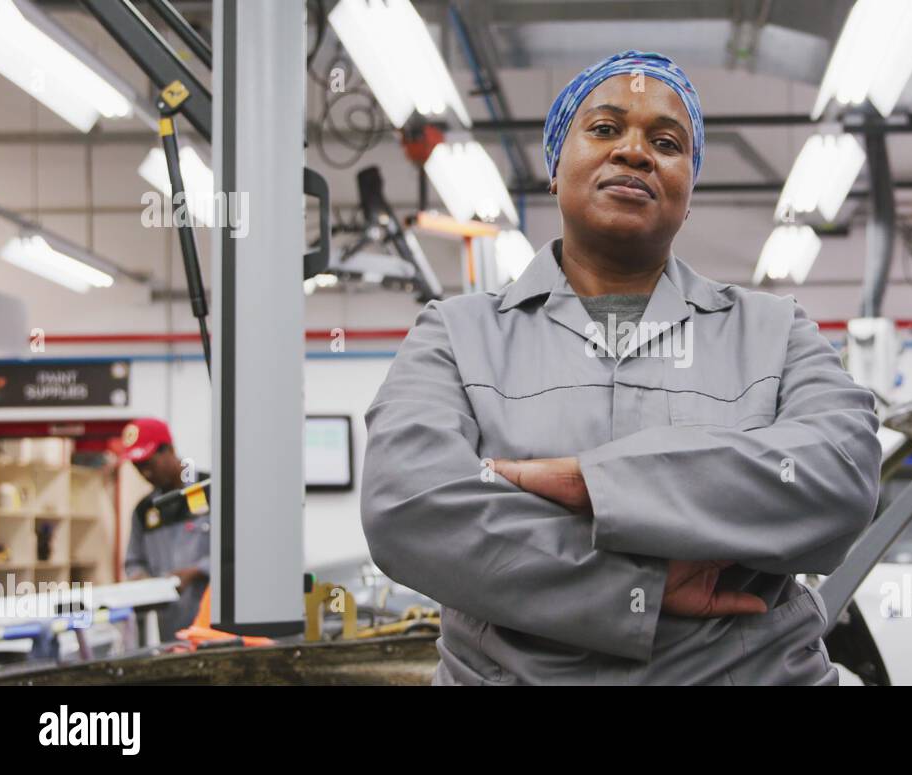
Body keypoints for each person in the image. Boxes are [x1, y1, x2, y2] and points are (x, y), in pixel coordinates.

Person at [361, 49, 882, 685]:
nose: (635, 153)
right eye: (605, 129)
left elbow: (843, 469)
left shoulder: (775, 330)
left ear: (689, 192)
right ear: (556, 167)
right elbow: (410, 505)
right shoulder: (457, 332)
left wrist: (597, 484)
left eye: (667, 142)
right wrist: (644, 586)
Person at [119, 417, 210, 642]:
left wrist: (197, 570)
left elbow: (240, 551)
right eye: (138, 467)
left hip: (214, 627)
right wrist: (139, 577)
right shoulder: (144, 511)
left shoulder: (212, 490)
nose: (145, 473)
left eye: (149, 463)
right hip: (172, 631)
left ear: (169, 449)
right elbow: (134, 561)